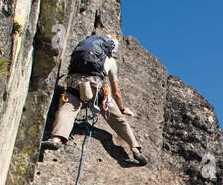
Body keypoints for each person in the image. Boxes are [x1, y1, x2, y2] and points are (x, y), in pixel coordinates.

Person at [42, 34, 147, 164]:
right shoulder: (111, 61)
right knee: (118, 119)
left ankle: (56, 140)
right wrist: (122, 108)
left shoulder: (83, 50)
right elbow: (116, 92)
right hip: (96, 89)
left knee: (67, 111)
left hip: (74, 84)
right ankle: (135, 149)